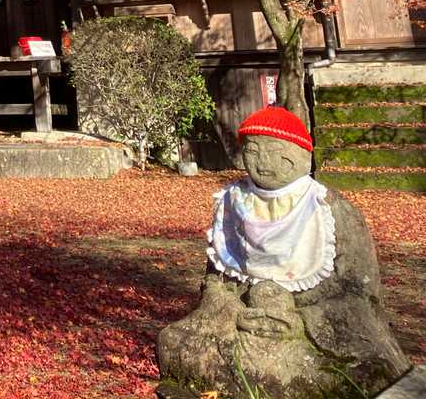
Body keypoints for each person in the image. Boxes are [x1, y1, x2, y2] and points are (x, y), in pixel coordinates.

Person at [157, 106, 410, 398]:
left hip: (311, 321)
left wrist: (299, 318)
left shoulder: (330, 208)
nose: (264, 162)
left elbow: (357, 289)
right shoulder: (233, 202)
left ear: (302, 155)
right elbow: (216, 276)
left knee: (346, 370)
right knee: (175, 342)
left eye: (277, 152)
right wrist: (232, 310)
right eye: (253, 152)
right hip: (241, 316)